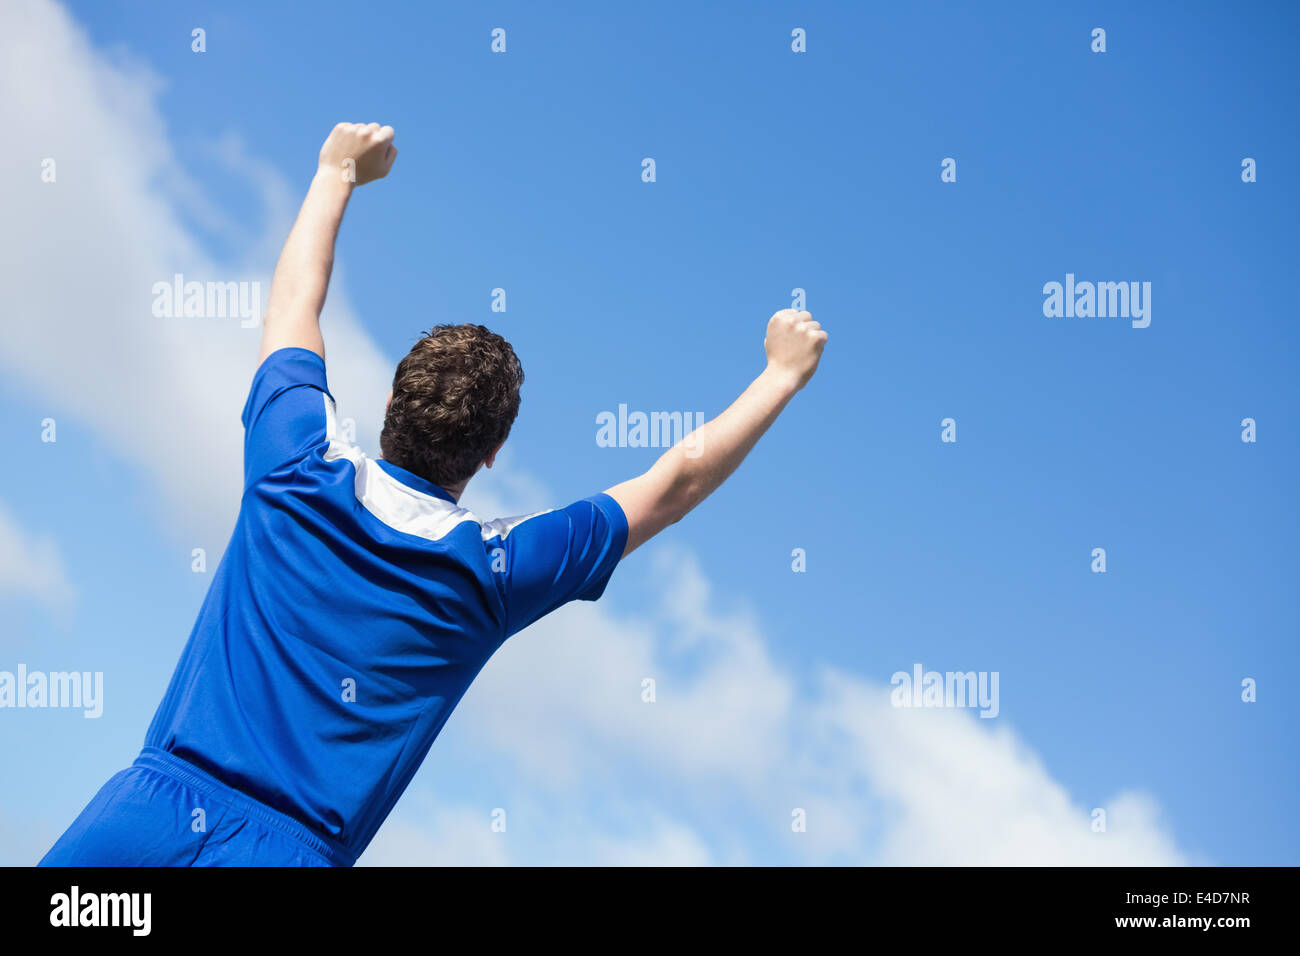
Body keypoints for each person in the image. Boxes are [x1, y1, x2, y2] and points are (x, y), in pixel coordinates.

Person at [39, 122, 829, 866]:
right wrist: (781, 375)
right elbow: (674, 484)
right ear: (491, 454)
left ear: (389, 402)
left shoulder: (292, 462)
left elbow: (292, 306)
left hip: (139, 822)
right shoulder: (490, 576)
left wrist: (336, 171)